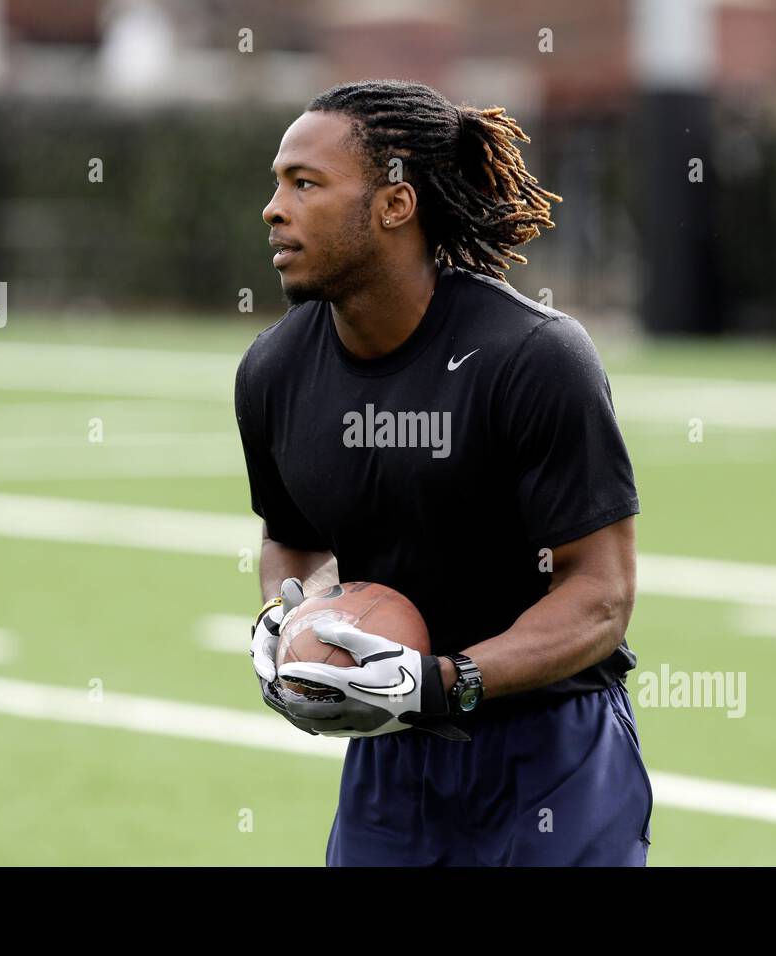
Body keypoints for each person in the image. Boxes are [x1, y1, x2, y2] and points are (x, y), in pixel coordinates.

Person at [236, 80, 650, 866]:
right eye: (277, 182)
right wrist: (285, 620)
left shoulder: (534, 357)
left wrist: (445, 681)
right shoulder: (272, 372)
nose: (273, 207)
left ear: (395, 205)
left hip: (551, 755)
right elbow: (290, 541)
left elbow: (601, 596)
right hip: (391, 763)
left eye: (305, 182)